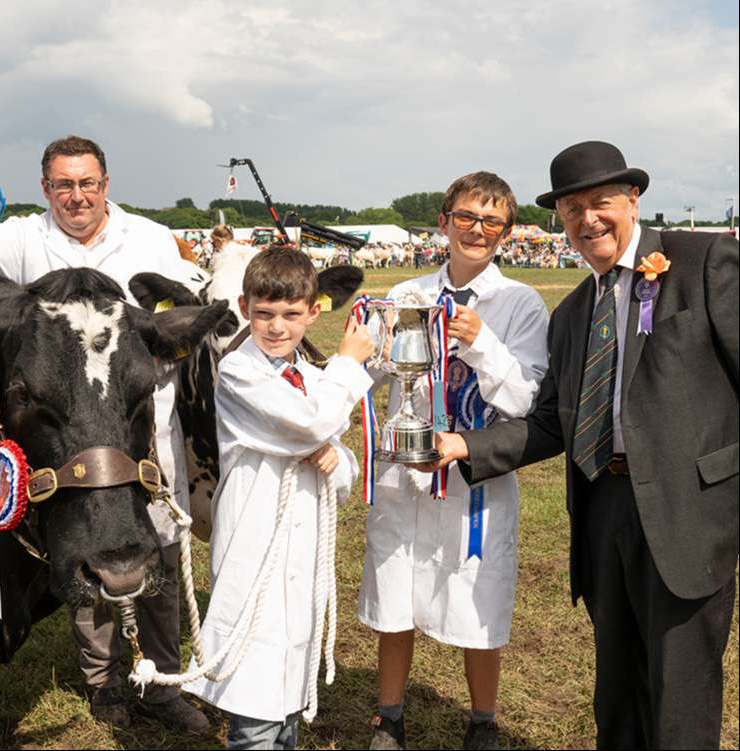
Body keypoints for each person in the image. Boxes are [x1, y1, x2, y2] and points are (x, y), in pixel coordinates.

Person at [0, 135, 210, 734]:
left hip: (136, 431)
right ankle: (104, 684)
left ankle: (160, 683)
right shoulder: (24, 236)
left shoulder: (152, 240)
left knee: (157, 558)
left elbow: (193, 307)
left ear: (106, 185)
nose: (77, 196)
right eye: (64, 185)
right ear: (46, 190)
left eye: (88, 183)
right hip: (64, 439)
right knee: (80, 551)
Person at [435, 141, 739, 749]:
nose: (587, 220)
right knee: (617, 691)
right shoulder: (573, 312)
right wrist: (463, 447)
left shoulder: (704, 258)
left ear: (632, 200)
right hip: (602, 509)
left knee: (680, 695)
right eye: (572, 210)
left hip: (686, 512)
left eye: (600, 202)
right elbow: (553, 422)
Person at [358, 172, 549, 751]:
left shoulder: (521, 303)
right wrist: (371, 344)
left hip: (474, 477)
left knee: (479, 596)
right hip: (407, 472)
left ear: (507, 232)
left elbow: (523, 401)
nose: (476, 230)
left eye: (491, 221)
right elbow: (367, 374)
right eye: (465, 217)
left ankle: (483, 722)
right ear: (444, 222)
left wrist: (482, 341)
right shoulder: (408, 293)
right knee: (396, 593)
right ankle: (389, 717)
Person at [184, 246, 374, 749]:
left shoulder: (313, 379)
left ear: (315, 312)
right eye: (264, 314)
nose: (276, 327)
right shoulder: (237, 373)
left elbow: (336, 453)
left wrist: (339, 461)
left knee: (287, 697)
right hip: (256, 551)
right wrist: (350, 365)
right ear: (244, 308)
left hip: (302, 555)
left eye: (291, 314)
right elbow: (311, 423)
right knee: (255, 711)